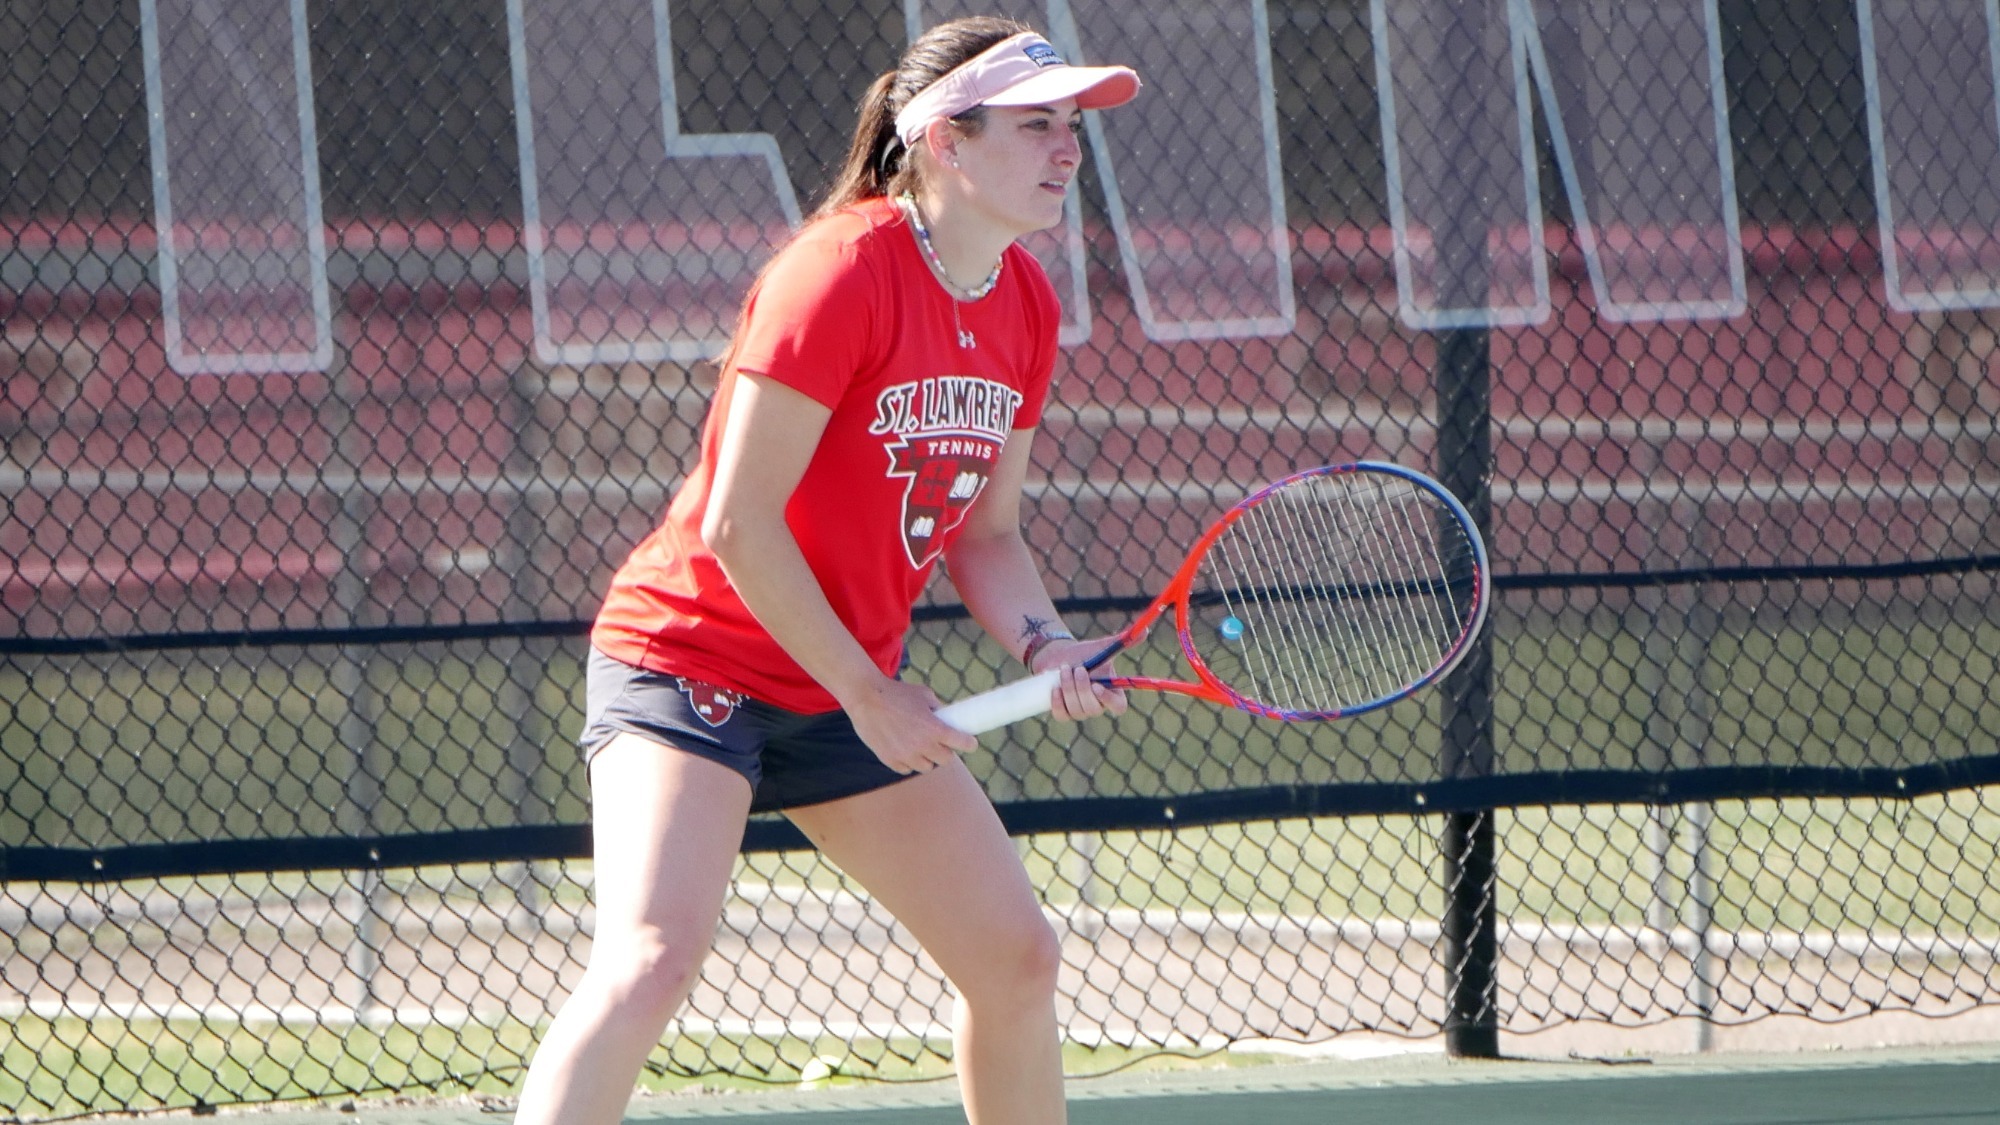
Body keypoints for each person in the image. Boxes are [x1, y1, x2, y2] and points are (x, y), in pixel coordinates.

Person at [511, 17, 1141, 1125]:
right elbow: (736, 524)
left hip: (842, 688)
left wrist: (1045, 646)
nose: (1066, 152)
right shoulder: (837, 272)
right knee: (651, 959)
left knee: (1015, 961)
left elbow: (986, 536)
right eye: (1038, 126)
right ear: (948, 141)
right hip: (689, 665)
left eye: (1072, 128)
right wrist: (869, 694)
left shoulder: (1025, 307)